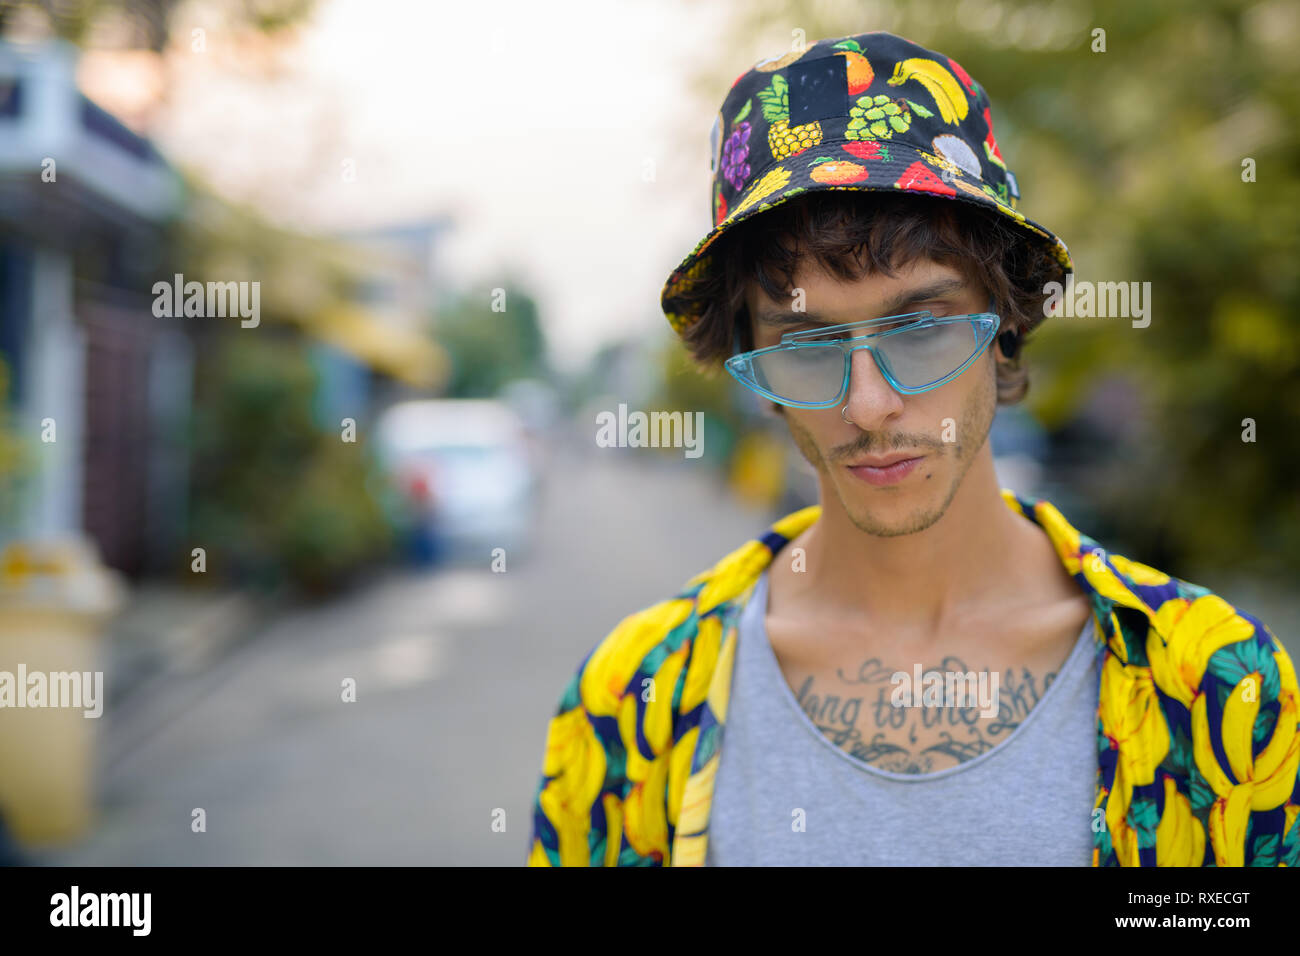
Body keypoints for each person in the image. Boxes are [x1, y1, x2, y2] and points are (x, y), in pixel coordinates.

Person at [527, 30, 1299, 867]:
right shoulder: (635, 698)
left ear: (1004, 322)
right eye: (807, 341)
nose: (869, 404)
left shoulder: (1215, 685)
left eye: (923, 325)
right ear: (748, 356)